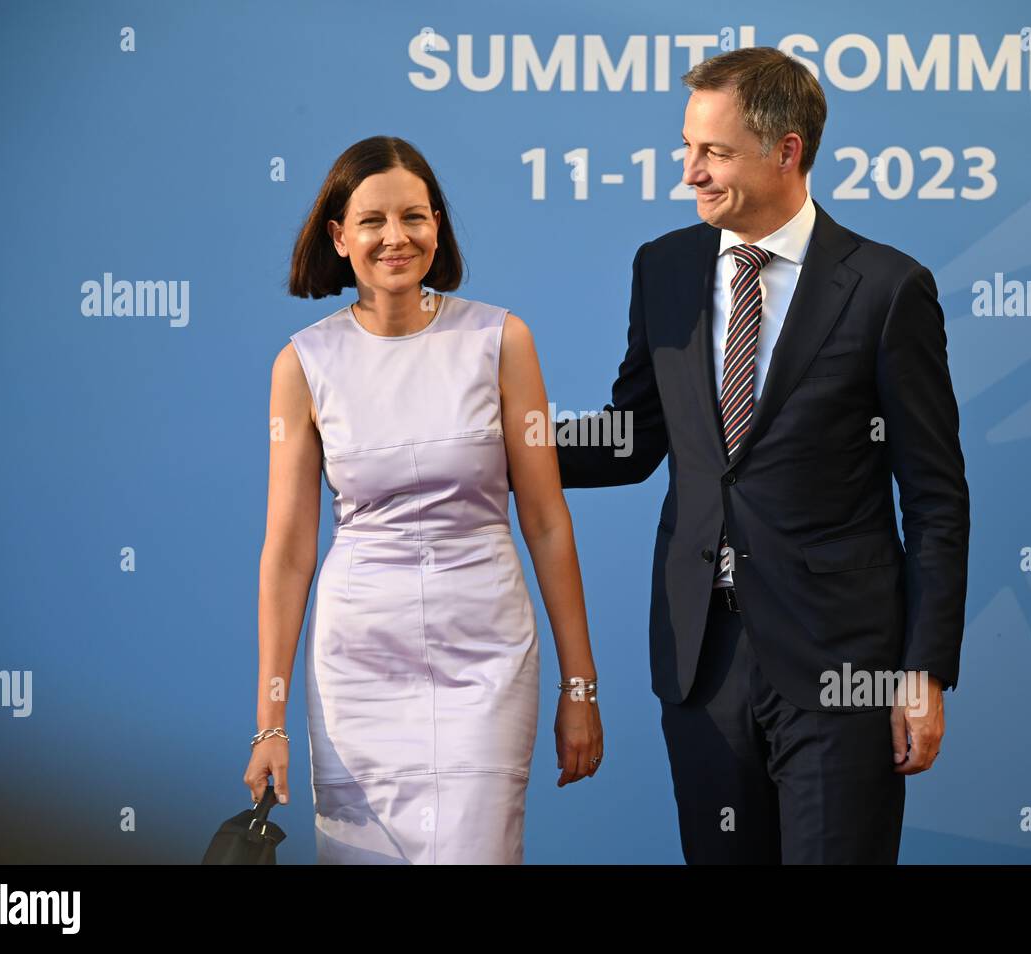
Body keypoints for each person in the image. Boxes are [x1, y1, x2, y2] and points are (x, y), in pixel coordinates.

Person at [554, 47, 970, 864]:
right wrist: (500, 443)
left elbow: (935, 498)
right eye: (687, 148)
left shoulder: (888, 288)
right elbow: (634, 436)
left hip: (840, 670)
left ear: (787, 151)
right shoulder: (664, 268)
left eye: (713, 153)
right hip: (701, 662)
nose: (690, 174)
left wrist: (923, 671)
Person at [243, 136, 602, 864]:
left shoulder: (502, 340)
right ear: (338, 238)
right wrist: (270, 722)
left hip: (487, 657)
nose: (396, 237)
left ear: (438, 226)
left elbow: (545, 521)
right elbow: (287, 552)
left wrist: (582, 687)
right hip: (358, 667)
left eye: (414, 216)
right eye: (372, 221)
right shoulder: (303, 364)